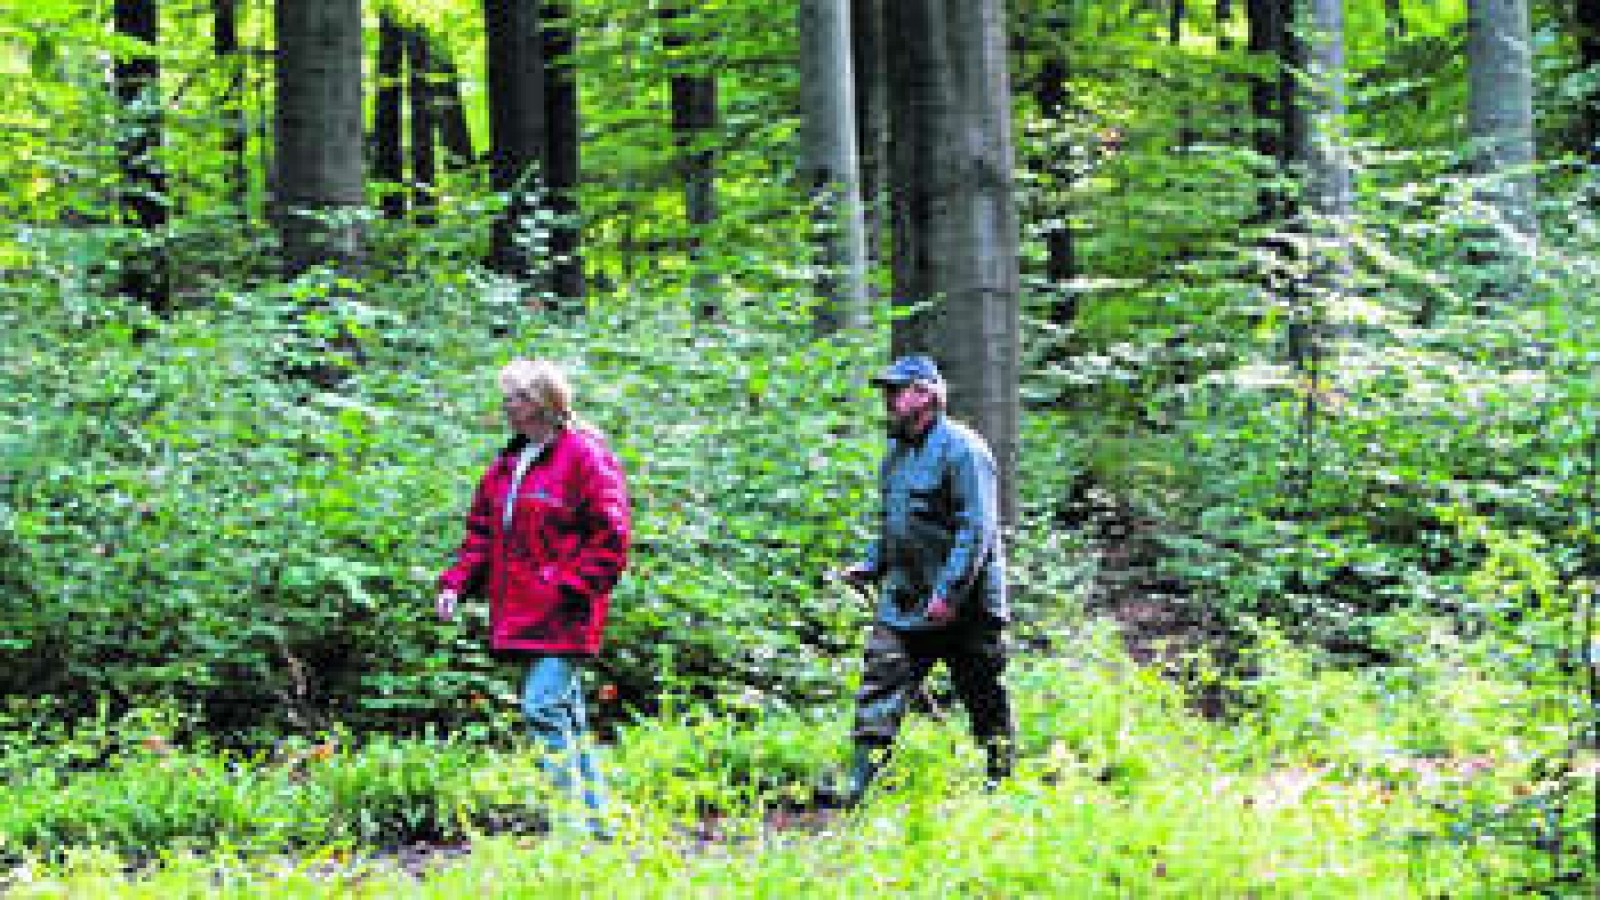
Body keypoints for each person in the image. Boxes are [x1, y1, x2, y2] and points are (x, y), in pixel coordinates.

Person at [437, 358, 631, 837]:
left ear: (545, 402)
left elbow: (611, 536)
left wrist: (570, 587)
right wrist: (455, 584)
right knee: (566, 713)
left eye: (518, 397)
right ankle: (596, 824)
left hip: (566, 612)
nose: (508, 406)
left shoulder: (584, 455)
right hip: (525, 610)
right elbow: (482, 535)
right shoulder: (508, 464)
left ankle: (570, 828)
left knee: (542, 707)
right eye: (507, 397)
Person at [833, 354, 1014, 806]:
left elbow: (976, 530)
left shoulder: (965, 451)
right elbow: (894, 524)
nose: (888, 400)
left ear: (926, 395)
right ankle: (860, 786)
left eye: (897, 391)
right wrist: (871, 565)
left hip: (967, 606)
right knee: (880, 681)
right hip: (905, 599)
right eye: (888, 392)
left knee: (982, 692)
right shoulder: (896, 455)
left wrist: (949, 594)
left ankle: (1002, 781)